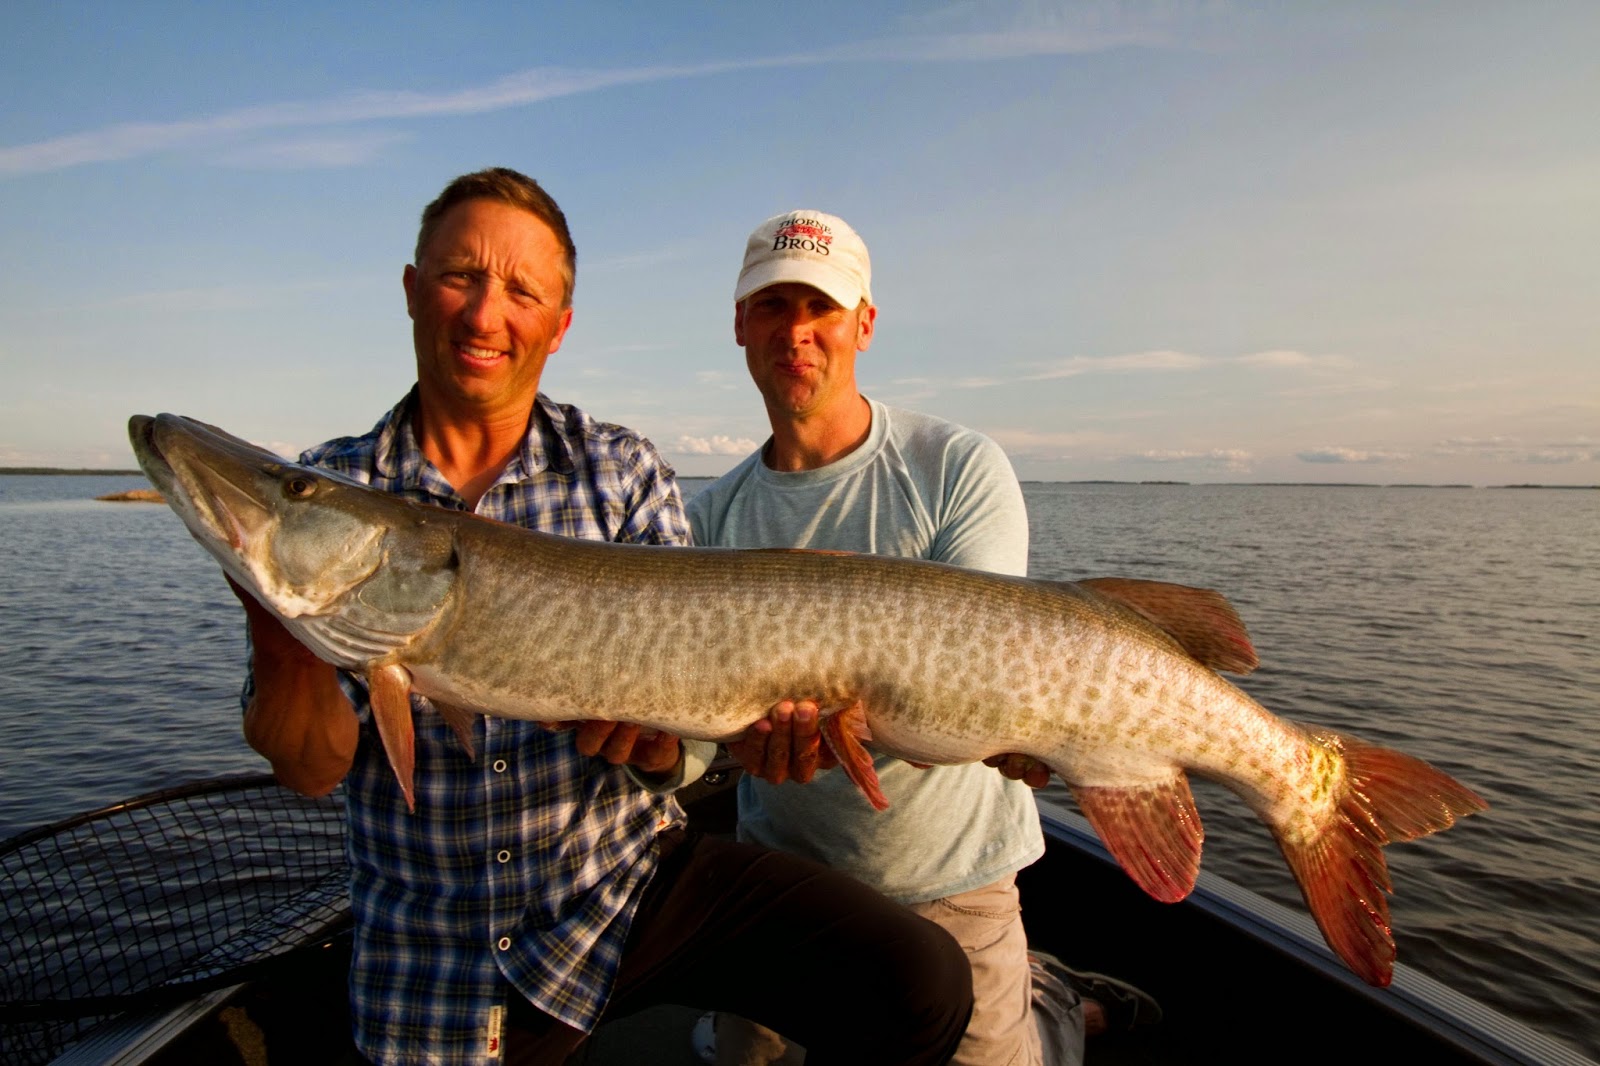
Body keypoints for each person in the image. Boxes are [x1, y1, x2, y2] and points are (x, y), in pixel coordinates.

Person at [236, 170, 974, 1066]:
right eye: (459, 276)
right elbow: (311, 768)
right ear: (411, 288)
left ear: (559, 325)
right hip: (434, 931)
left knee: (919, 980)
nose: (483, 316)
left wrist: (660, 744)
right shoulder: (338, 486)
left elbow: (674, 745)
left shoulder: (618, 470)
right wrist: (280, 630)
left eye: (521, 292)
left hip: (623, 885)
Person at [687, 211, 1158, 1066]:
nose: (797, 330)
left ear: (863, 323)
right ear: (740, 325)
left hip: (951, 878)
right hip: (785, 876)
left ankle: (1054, 1005)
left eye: (821, 308)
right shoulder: (707, 516)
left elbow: (979, 683)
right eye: (772, 305)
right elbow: (684, 748)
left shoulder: (956, 467)